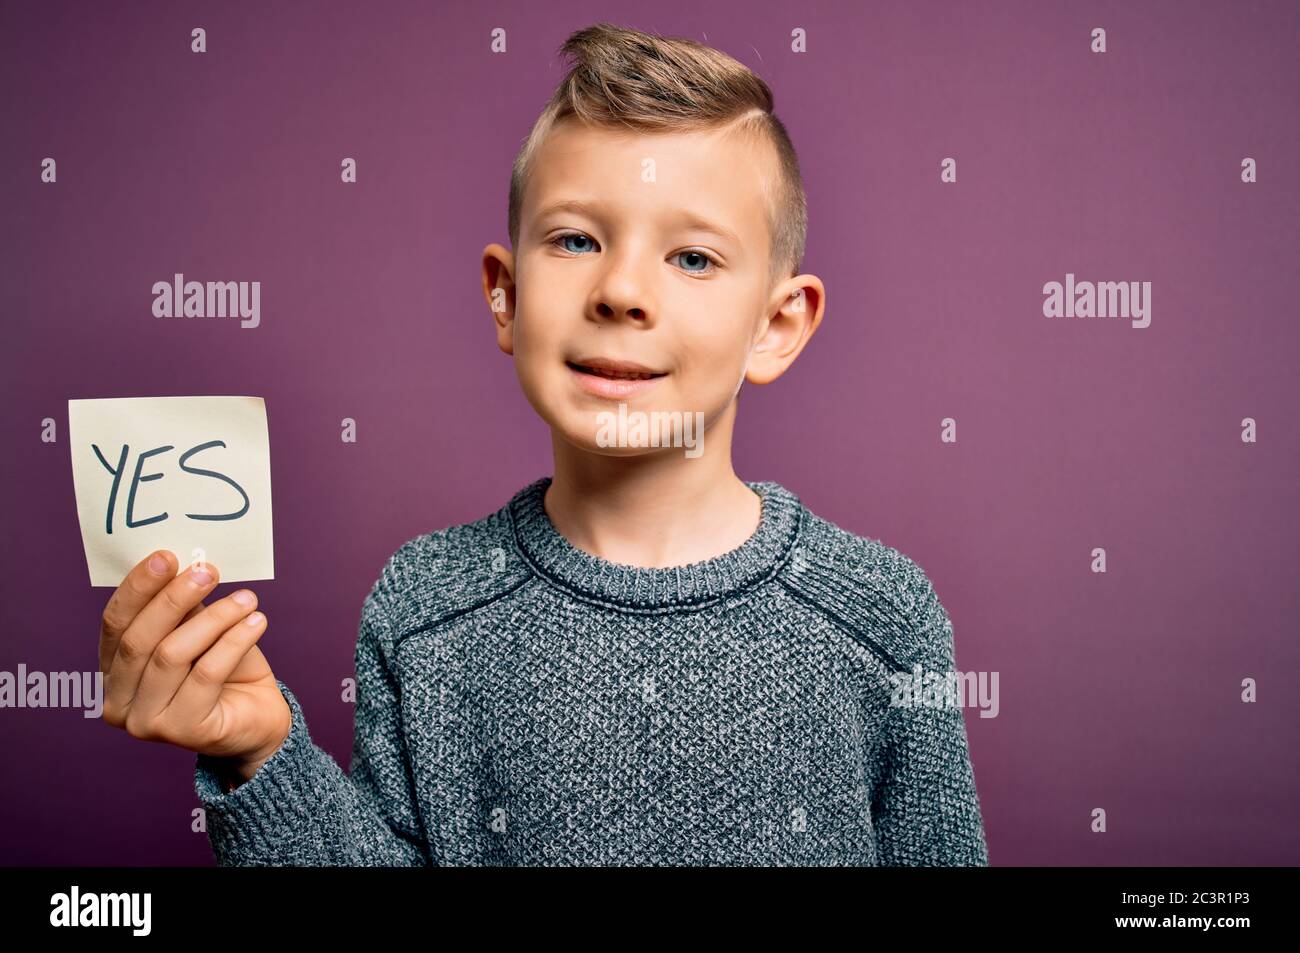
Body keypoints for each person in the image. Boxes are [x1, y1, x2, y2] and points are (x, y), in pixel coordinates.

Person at [97, 22, 989, 866]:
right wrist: (262, 754)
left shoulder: (882, 616)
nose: (623, 292)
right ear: (506, 295)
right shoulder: (423, 610)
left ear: (777, 325)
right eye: (575, 239)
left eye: (693, 258)